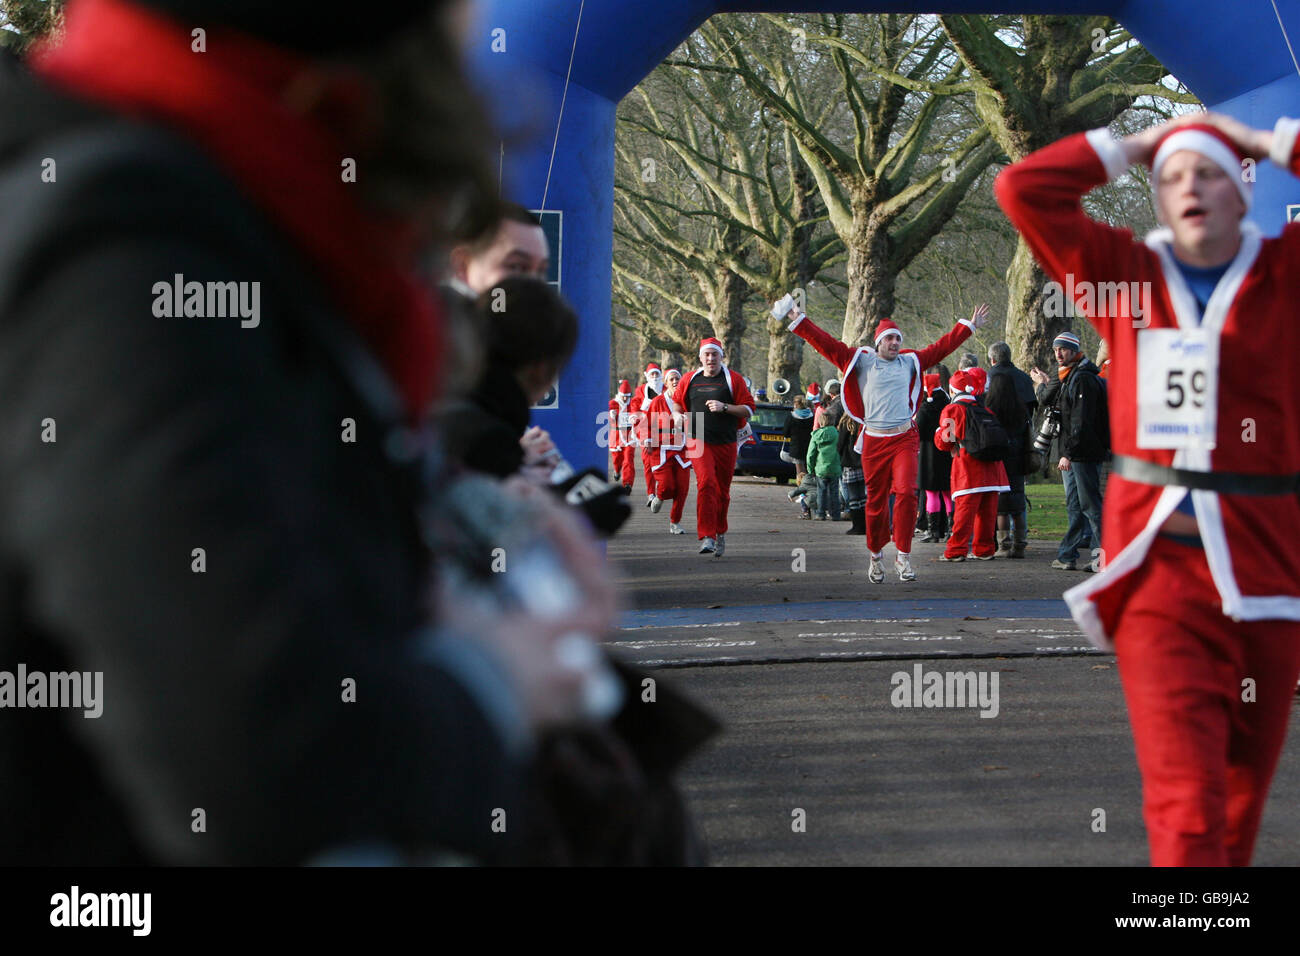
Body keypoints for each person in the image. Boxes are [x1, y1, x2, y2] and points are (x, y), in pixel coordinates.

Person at [0, 0, 618, 864]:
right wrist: (493, 683)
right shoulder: (124, 236)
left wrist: (459, 541)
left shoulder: (233, 206)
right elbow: (253, 744)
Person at [996, 110, 1300, 866]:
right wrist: (1132, 147)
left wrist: (1272, 141)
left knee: (1235, 814)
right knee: (1187, 810)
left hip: (1268, 579)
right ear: (1158, 201)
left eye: (1208, 173)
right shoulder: (1125, 276)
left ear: (1243, 191)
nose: (1188, 186)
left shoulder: (1285, 274)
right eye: (1171, 178)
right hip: (1159, 579)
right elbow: (1022, 188)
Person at [778, 297, 992, 582]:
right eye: (889, 339)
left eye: (897, 339)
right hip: (875, 441)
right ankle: (876, 554)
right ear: (878, 342)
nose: (894, 343)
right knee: (876, 502)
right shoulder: (862, 360)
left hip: (904, 437)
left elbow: (941, 347)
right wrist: (797, 318)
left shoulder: (910, 361)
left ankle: (903, 556)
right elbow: (825, 343)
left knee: (905, 492)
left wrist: (969, 327)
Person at [667, 337, 755, 556]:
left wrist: (725, 407)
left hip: (726, 441)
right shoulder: (689, 379)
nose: (710, 358)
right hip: (698, 439)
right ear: (700, 357)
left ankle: (720, 531)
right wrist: (677, 414)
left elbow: (749, 409)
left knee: (723, 493)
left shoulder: (733, 379)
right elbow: (677, 401)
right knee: (706, 483)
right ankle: (707, 536)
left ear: (721, 356)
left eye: (714, 354)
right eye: (706, 354)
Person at [1029, 331, 1109, 571]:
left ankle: (1102, 557)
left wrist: (1068, 454)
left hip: (1083, 453)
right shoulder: (1068, 376)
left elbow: (1081, 422)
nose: (1058, 354)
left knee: (1091, 506)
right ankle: (1068, 554)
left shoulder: (1082, 378)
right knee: (1076, 504)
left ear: (1074, 351)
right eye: (1056, 350)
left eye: (1062, 349)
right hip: (1076, 451)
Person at [933, 368, 1009, 561]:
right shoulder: (985, 409)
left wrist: (937, 433)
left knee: (964, 514)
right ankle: (984, 549)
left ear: (952, 391)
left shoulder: (953, 409)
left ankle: (956, 550)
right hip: (993, 470)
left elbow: (946, 441)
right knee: (987, 513)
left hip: (969, 469)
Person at [985, 372, 1031, 558]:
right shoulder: (1020, 408)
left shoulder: (991, 409)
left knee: (1002, 508)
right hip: (1018, 459)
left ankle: (1004, 545)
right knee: (1018, 504)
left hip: (1000, 459)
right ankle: (1020, 545)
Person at [647, 369, 691, 534]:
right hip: (662, 451)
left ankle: (675, 522)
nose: (675, 382)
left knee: (682, 489)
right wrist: (647, 440)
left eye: (678, 379)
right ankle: (659, 496)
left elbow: (696, 424)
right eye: (671, 379)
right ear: (666, 383)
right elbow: (647, 423)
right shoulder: (658, 401)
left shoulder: (688, 401)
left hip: (683, 451)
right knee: (667, 486)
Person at [915, 369, 953, 542]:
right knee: (947, 492)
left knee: (931, 493)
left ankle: (933, 531)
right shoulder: (948, 404)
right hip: (946, 453)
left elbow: (918, 431)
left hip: (928, 455)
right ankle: (951, 529)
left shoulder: (924, 408)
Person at [631, 362, 665, 507]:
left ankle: (662, 490)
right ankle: (651, 493)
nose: (655, 377)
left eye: (657, 374)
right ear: (647, 376)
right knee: (647, 463)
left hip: (663, 429)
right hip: (645, 428)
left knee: (662, 462)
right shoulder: (641, 390)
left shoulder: (665, 388)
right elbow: (634, 407)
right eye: (652, 374)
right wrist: (635, 416)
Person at [805, 406, 842, 521]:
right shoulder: (837, 434)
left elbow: (810, 454)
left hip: (820, 468)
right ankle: (836, 514)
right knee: (834, 492)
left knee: (821, 491)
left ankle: (820, 513)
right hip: (835, 466)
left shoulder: (816, 436)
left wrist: (810, 469)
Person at [783, 394, 815, 515]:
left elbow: (786, 433)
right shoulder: (812, 416)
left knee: (800, 477)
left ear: (795, 404)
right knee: (810, 476)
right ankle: (811, 501)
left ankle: (804, 504)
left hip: (796, 450)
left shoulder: (792, 416)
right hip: (810, 448)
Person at [837, 414, 867, 535]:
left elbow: (840, 444)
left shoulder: (846, 423)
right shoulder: (864, 422)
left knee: (853, 497)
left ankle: (857, 526)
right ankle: (865, 525)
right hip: (862, 463)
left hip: (849, 463)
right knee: (863, 497)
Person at [610, 379, 635, 492]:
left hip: (629, 436)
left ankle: (627, 483)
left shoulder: (633, 404)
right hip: (616, 436)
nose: (625, 398)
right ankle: (616, 470)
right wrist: (610, 415)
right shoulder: (613, 403)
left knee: (628, 460)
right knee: (617, 459)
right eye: (623, 396)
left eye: (627, 396)